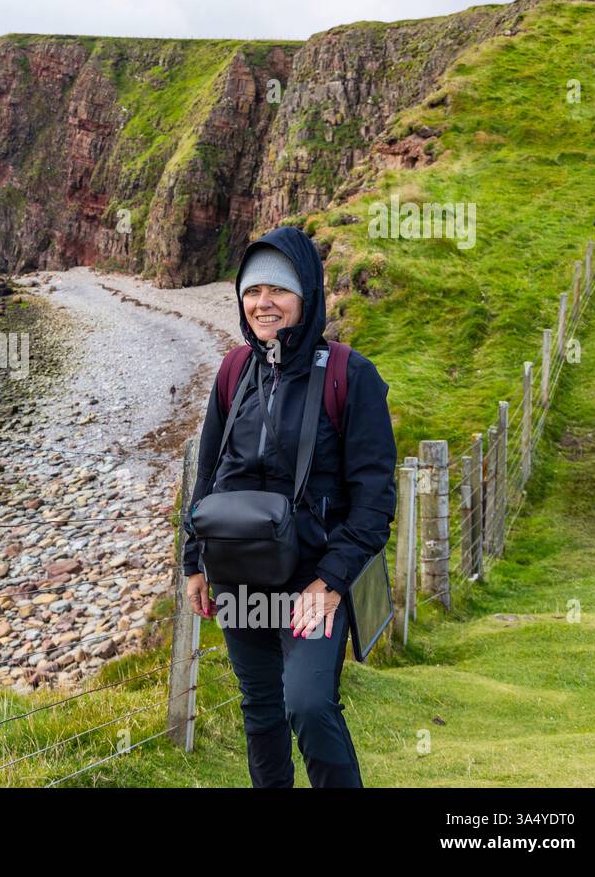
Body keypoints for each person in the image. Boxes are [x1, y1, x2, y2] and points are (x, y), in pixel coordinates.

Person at [180, 226, 398, 788]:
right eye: (252, 292)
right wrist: (193, 564)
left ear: (307, 294)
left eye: (278, 289)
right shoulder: (234, 372)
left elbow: (375, 501)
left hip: (312, 581)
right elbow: (207, 476)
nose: (263, 303)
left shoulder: (351, 376)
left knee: (309, 705)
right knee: (262, 712)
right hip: (237, 575)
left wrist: (329, 582)